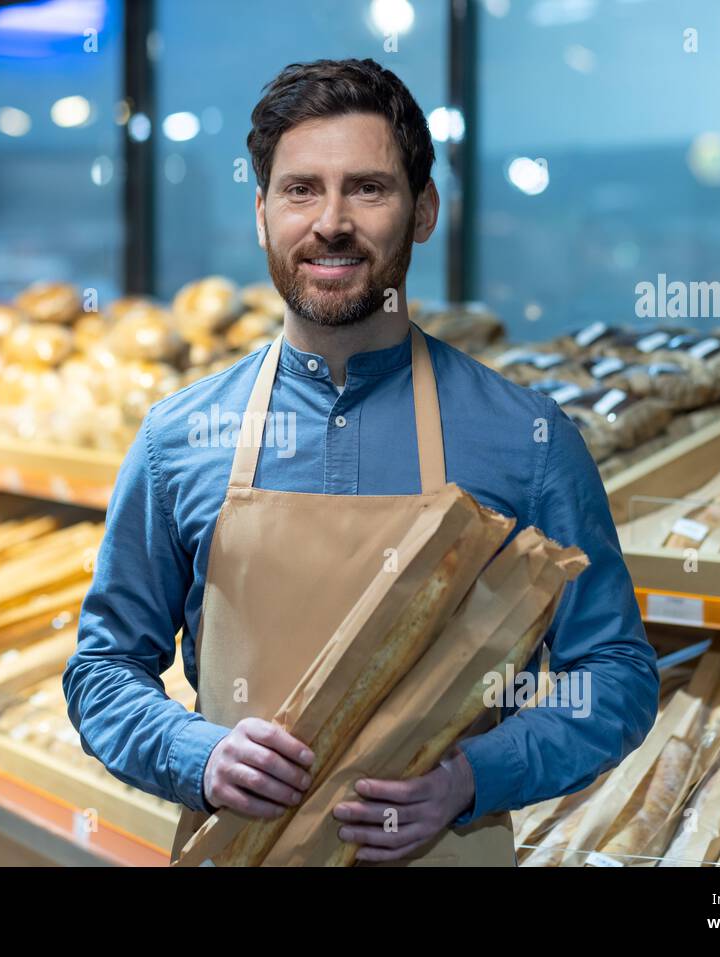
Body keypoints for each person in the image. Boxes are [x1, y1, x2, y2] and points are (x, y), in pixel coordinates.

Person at [64, 58, 659, 865]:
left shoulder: (528, 438)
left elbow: (616, 672)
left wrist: (474, 776)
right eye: (300, 189)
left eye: (368, 188)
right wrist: (196, 754)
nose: (332, 221)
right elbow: (103, 667)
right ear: (262, 213)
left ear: (423, 211)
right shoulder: (180, 438)